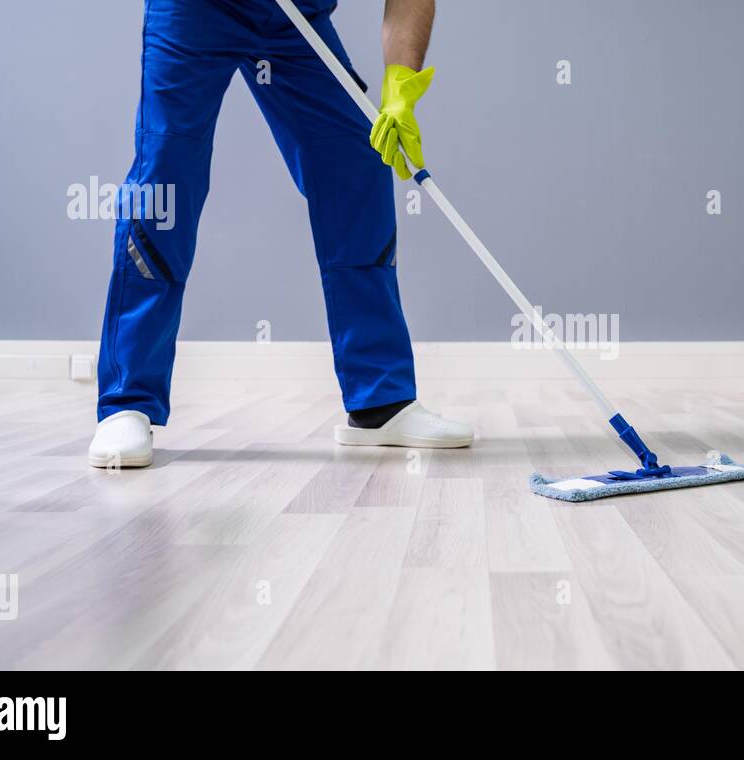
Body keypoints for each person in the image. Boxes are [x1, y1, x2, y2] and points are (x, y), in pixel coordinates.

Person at [88, 0, 471, 469]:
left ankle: (381, 401)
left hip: (295, 16)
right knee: (165, 179)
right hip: (194, 10)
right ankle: (128, 401)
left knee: (356, 164)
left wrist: (400, 89)